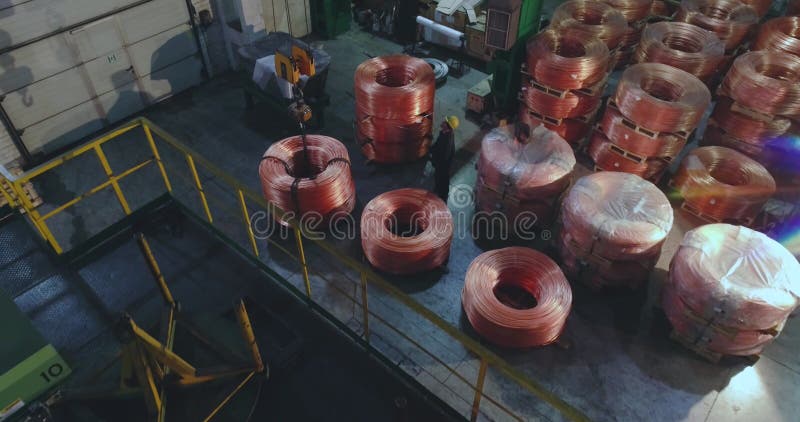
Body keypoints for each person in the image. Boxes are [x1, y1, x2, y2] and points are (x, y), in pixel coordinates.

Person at [430, 116, 459, 202]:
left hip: (443, 165)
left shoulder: (447, 140)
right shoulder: (444, 133)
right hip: (440, 164)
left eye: (445, 122)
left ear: (447, 126)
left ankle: (442, 198)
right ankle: (438, 188)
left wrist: (434, 159)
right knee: (438, 178)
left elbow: (443, 156)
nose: (442, 122)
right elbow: (437, 145)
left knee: (442, 180)